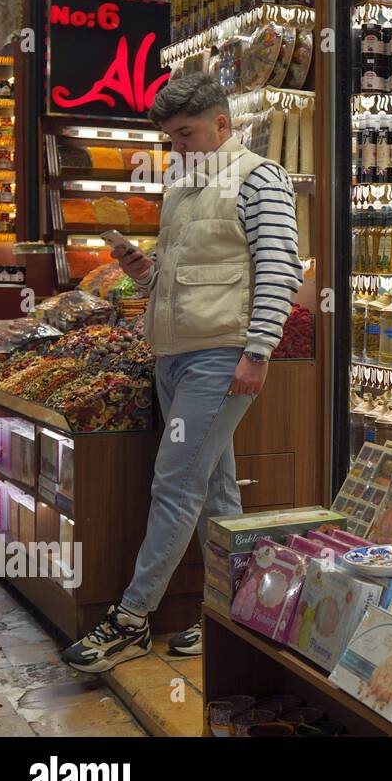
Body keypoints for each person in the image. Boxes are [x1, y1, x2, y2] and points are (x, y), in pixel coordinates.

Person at [63, 74, 302, 673]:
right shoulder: (182, 185)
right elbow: (166, 283)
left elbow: (280, 267)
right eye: (170, 137)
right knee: (214, 487)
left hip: (220, 357)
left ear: (223, 124)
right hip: (173, 355)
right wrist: (141, 268)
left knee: (175, 482)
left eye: (187, 133)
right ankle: (238, 613)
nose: (178, 147)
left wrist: (259, 351)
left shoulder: (258, 177)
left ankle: (132, 620)